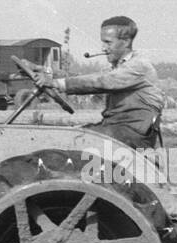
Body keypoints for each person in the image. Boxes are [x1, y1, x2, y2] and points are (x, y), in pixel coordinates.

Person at [39, 16, 165, 149]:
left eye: (108, 43)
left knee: (73, 140)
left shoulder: (139, 66)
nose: (103, 48)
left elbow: (102, 81)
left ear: (126, 42)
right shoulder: (117, 68)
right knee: (67, 136)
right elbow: (91, 77)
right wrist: (47, 73)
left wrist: (57, 84)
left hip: (133, 137)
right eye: (102, 42)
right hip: (114, 130)